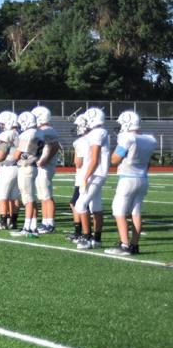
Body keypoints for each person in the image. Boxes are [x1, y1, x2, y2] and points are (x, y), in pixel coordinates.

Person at [107, 110, 155, 256]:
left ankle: (124, 245)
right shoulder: (150, 139)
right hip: (142, 178)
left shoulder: (127, 138)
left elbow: (115, 160)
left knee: (118, 211)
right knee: (136, 212)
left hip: (127, 179)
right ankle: (134, 244)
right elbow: (148, 163)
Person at [73, 107, 110, 250]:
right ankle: (97, 239)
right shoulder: (99, 132)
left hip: (94, 173)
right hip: (97, 173)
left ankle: (87, 237)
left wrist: (86, 176)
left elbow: (94, 159)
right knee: (96, 206)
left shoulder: (96, 133)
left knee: (80, 205)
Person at [31, 106, 61, 234]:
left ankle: (50, 223)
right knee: (42, 195)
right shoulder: (44, 130)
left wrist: (45, 160)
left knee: (47, 195)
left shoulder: (48, 130)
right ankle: (45, 221)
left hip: (45, 167)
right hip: (41, 166)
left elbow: (54, 146)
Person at [11, 111, 41, 236]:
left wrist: (13, 156)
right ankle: (33, 226)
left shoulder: (27, 134)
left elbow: (17, 154)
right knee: (31, 198)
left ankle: (27, 227)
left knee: (27, 199)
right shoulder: (38, 132)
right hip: (33, 166)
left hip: (26, 166)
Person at [0, 111, 20, 231]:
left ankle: (3, 222)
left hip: (7, 168)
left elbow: (1, 154)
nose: (1, 126)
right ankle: (13, 221)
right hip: (18, 167)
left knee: (1, 195)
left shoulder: (7, 134)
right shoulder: (19, 133)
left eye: (2, 123)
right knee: (14, 196)